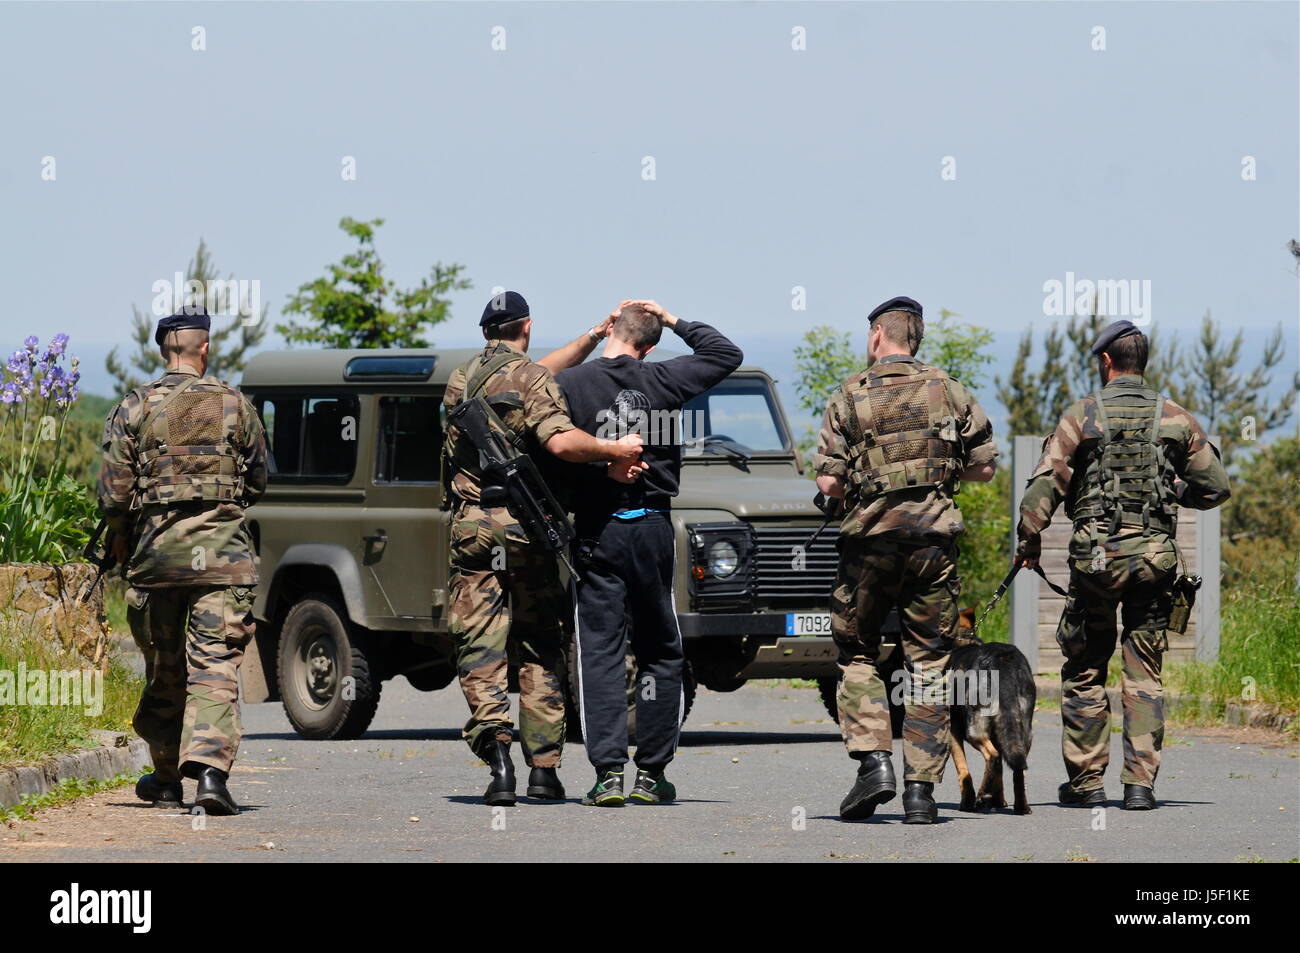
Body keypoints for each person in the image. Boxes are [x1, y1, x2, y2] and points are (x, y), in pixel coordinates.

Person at [1015, 319, 1230, 810]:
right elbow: (1215, 488)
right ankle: (1140, 785)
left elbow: (1043, 490)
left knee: (1086, 667)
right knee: (1144, 674)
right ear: (1143, 362)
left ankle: (1088, 784)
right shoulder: (1176, 419)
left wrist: (1029, 544)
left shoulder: (1082, 416)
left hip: (1095, 564)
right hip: (1154, 563)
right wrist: (1172, 490)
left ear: (1106, 362)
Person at [442, 291, 643, 806]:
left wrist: (594, 336)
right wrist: (611, 449)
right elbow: (560, 443)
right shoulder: (534, 381)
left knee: (480, 646)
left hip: (472, 528)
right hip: (525, 527)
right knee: (539, 644)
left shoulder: (462, 380)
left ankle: (499, 761)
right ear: (526, 328)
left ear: (487, 331)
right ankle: (544, 771)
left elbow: (531, 373)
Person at [814, 295, 997, 823]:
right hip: (932, 547)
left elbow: (829, 480)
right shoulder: (950, 389)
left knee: (858, 652)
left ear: (877, 336)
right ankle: (921, 792)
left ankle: (875, 762)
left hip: (868, 545)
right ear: (916, 339)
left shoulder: (849, 394)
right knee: (931, 665)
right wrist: (936, 474)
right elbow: (984, 470)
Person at [555, 300, 742, 806]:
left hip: (598, 530)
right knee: (662, 649)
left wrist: (591, 336)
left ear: (613, 328)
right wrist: (676, 317)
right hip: (655, 527)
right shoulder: (664, 379)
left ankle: (608, 775)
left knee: (600, 652)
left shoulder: (571, 385)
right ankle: (652, 775)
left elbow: (545, 439)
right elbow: (726, 353)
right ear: (652, 346)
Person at [98, 308, 268, 816]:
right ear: (205, 348)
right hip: (221, 561)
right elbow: (258, 481)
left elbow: (112, 496)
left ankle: (167, 777)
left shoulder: (133, 407)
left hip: (158, 562)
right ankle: (211, 777)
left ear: (161, 351)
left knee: (165, 669)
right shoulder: (236, 404)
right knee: (213, 667)